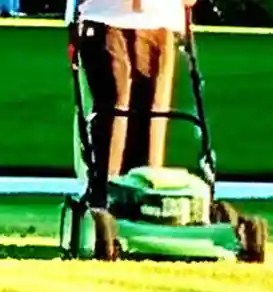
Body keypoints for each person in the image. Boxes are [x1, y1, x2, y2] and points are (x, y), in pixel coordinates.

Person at [66, 0, 195, 201]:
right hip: (105, 17)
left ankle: (146, 200)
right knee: (114, 111)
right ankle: (106, 197)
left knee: (154, 115)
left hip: (161, 21)